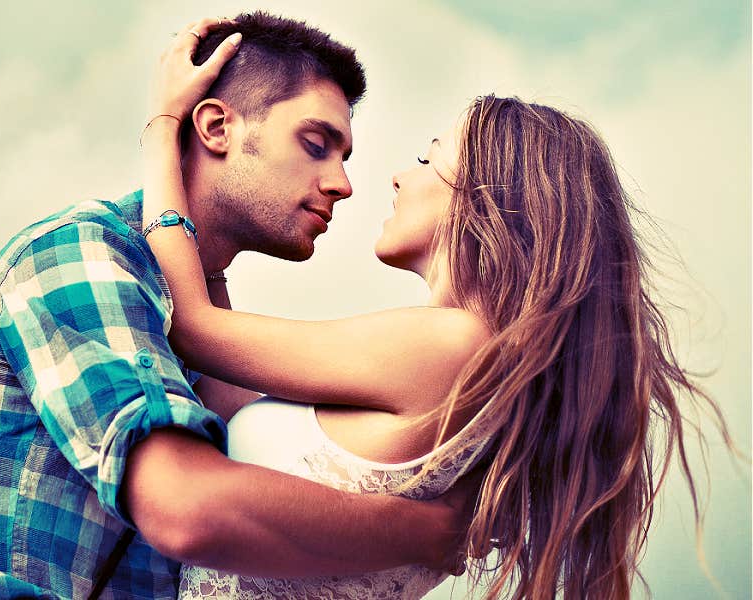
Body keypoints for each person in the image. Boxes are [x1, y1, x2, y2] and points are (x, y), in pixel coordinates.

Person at [141, 16, 737, 600]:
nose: (398, 178)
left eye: (429, 159)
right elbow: (225, 396)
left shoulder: (448, 345)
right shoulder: (470, 366)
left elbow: (193, 330)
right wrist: (216, 229)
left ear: (486, 197)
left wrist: (164, 128)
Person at [0, 13, 481, 600]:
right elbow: (184, 506)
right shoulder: (80, 259)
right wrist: (417, 531)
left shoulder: (190, 305)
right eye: (317, 145)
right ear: (216, 127)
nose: (343, 183)